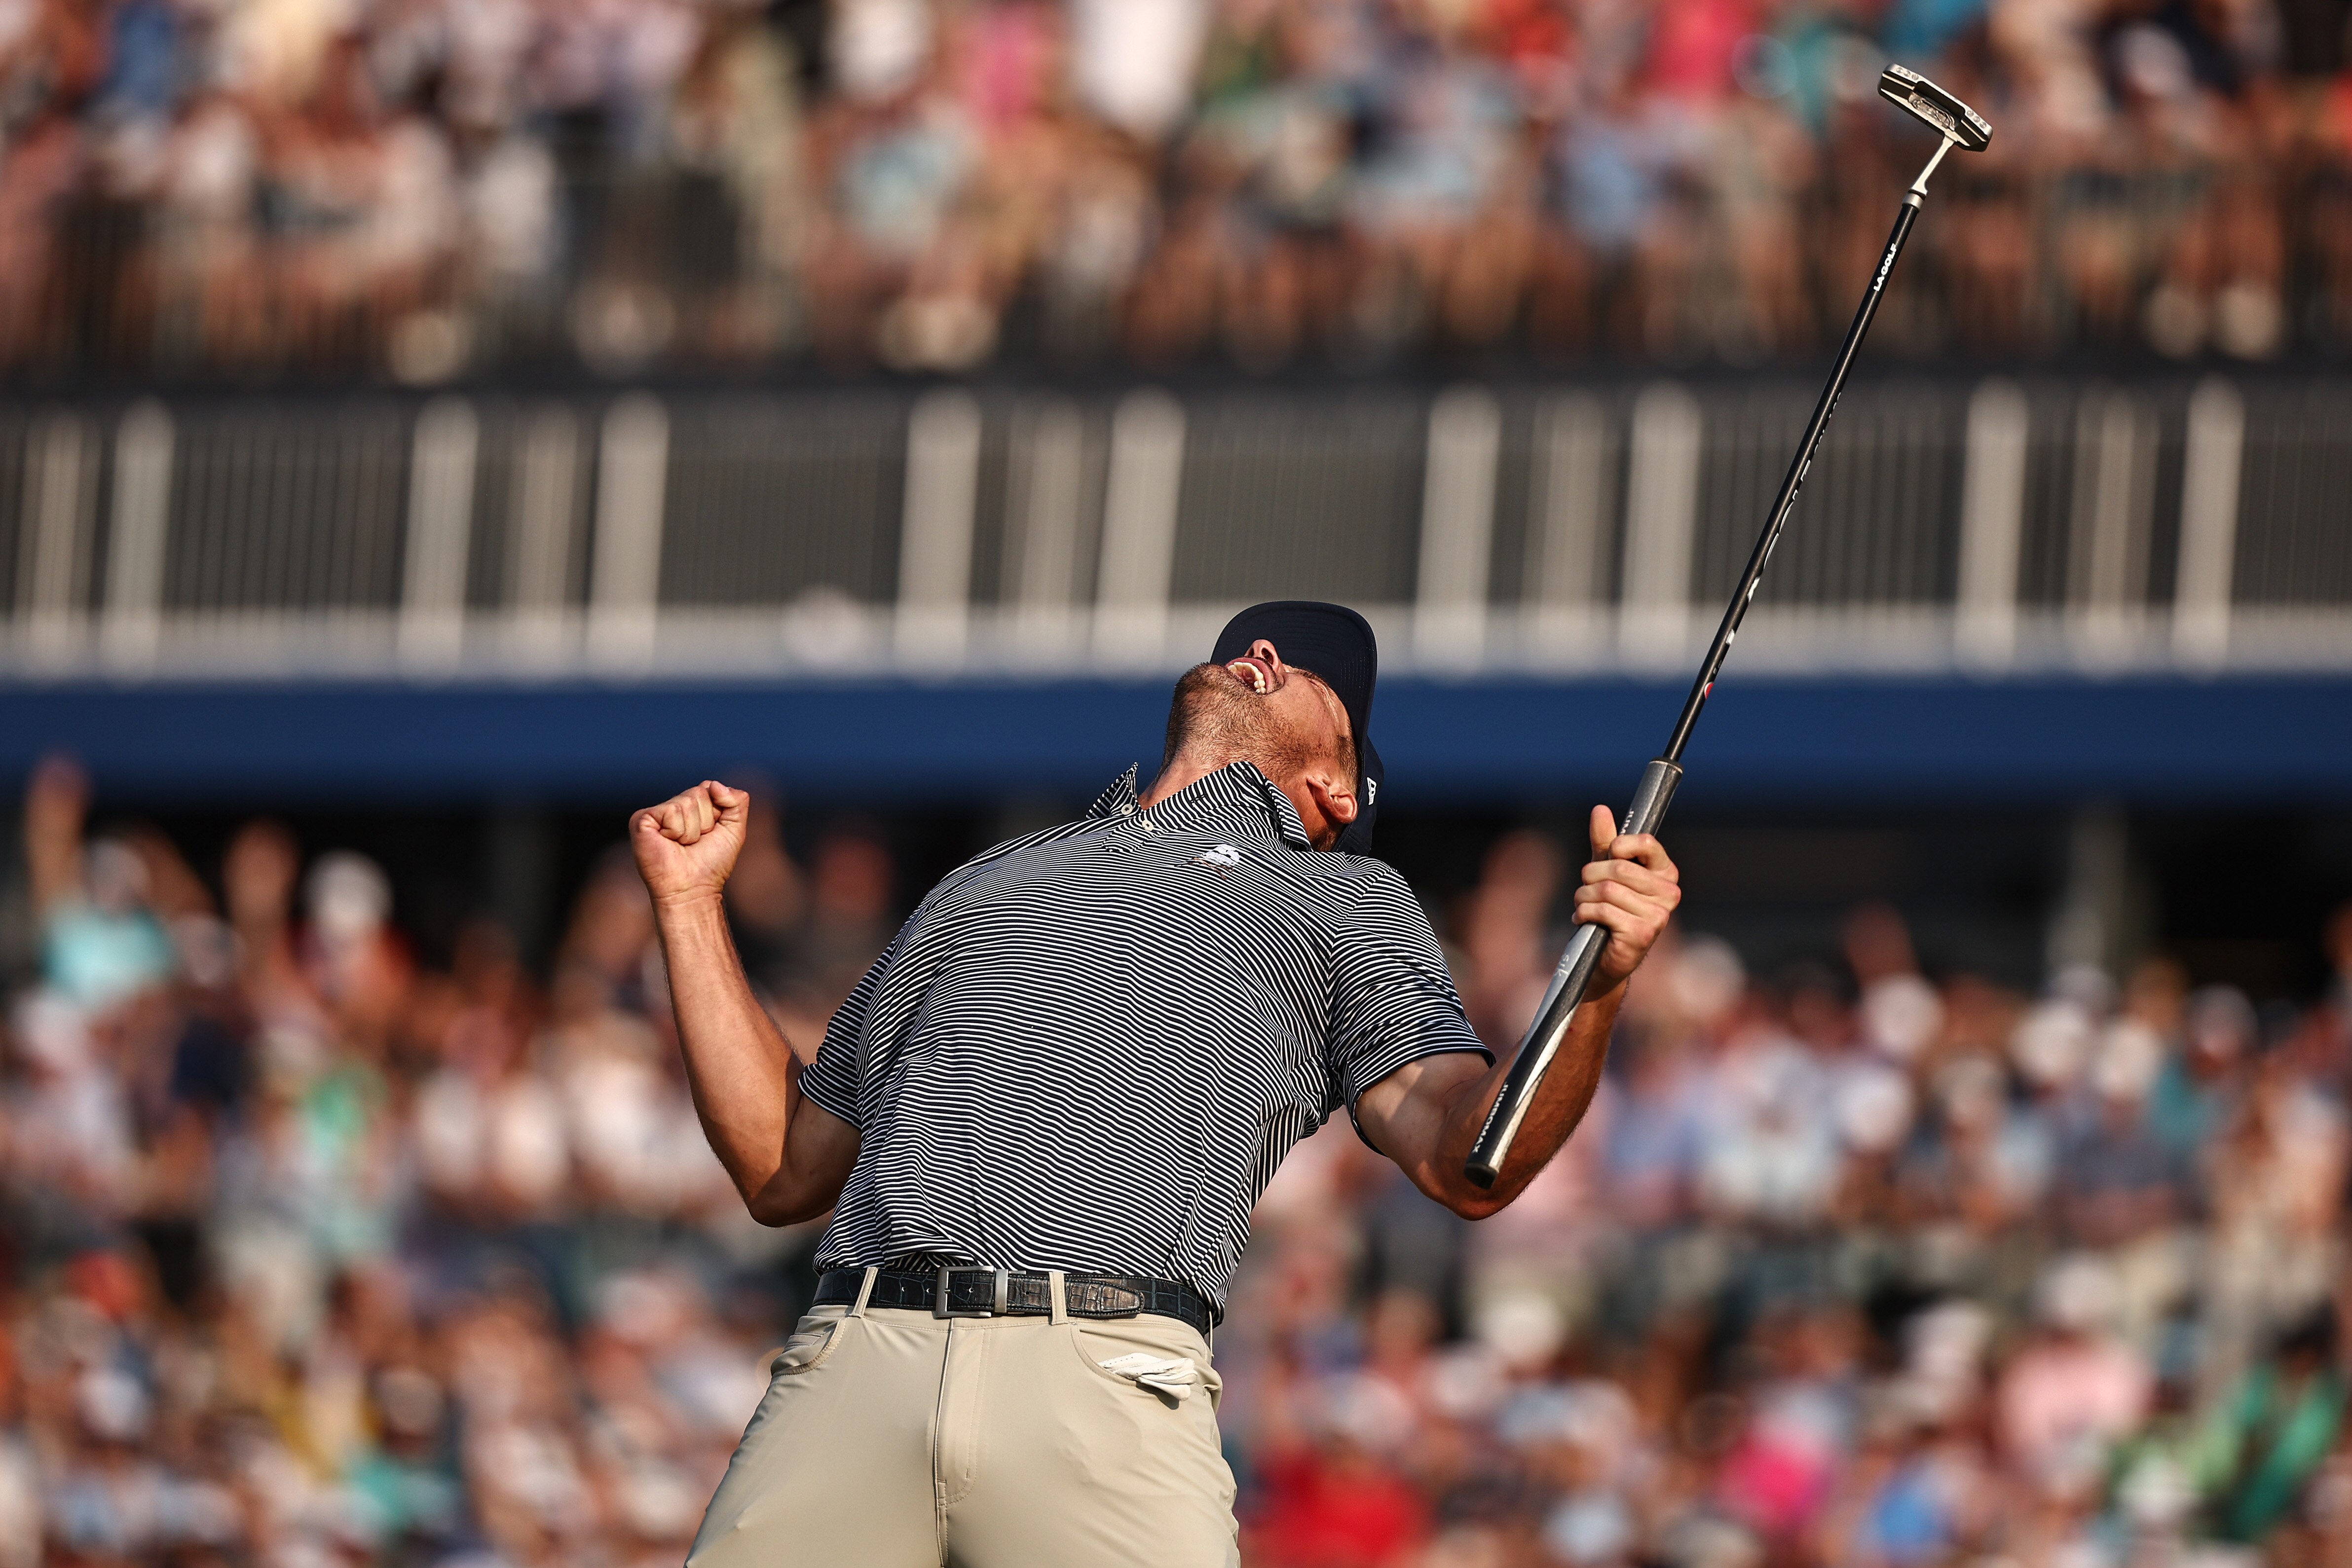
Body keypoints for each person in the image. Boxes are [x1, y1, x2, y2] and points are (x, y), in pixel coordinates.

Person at [628, 600, 1682, 1567]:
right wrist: (688, 907)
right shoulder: (985, 879)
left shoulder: (1342, 895)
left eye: (1307, 674)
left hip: (1104, 1376)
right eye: (1253, 643)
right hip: (856, 1357)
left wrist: (1596, 989)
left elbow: (1467, 1160)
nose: (1259, 650)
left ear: (1334, 791)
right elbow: (781, 1167)